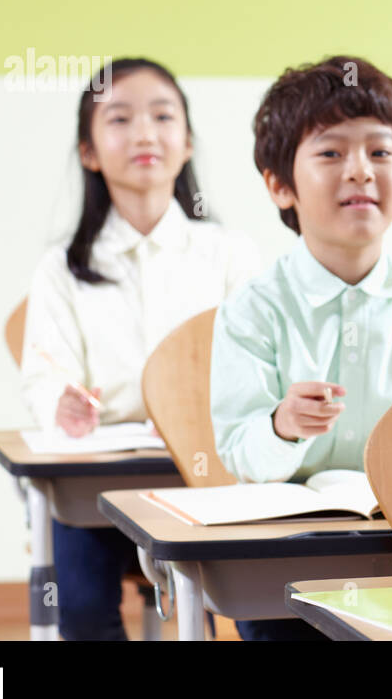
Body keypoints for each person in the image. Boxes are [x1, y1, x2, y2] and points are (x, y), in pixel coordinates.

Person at [211, 55, 392, 639]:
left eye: (380, 153)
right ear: (280, 186)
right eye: (331, 153)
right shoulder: (253, 308)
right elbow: (237, 448)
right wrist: (281, 425)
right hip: (283, 554)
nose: (360, 170)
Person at [21, 57, 260, 639]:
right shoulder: (63, 268)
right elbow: (42, 374)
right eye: (120, 119)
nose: (145, 133)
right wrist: (62, 403)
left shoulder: (229, 254)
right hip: (98, 483)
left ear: (187, 143)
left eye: (162, 116)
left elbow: (256, 370)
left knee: (250, 598)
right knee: (78, 604)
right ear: (89, 152)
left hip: (202, 474)